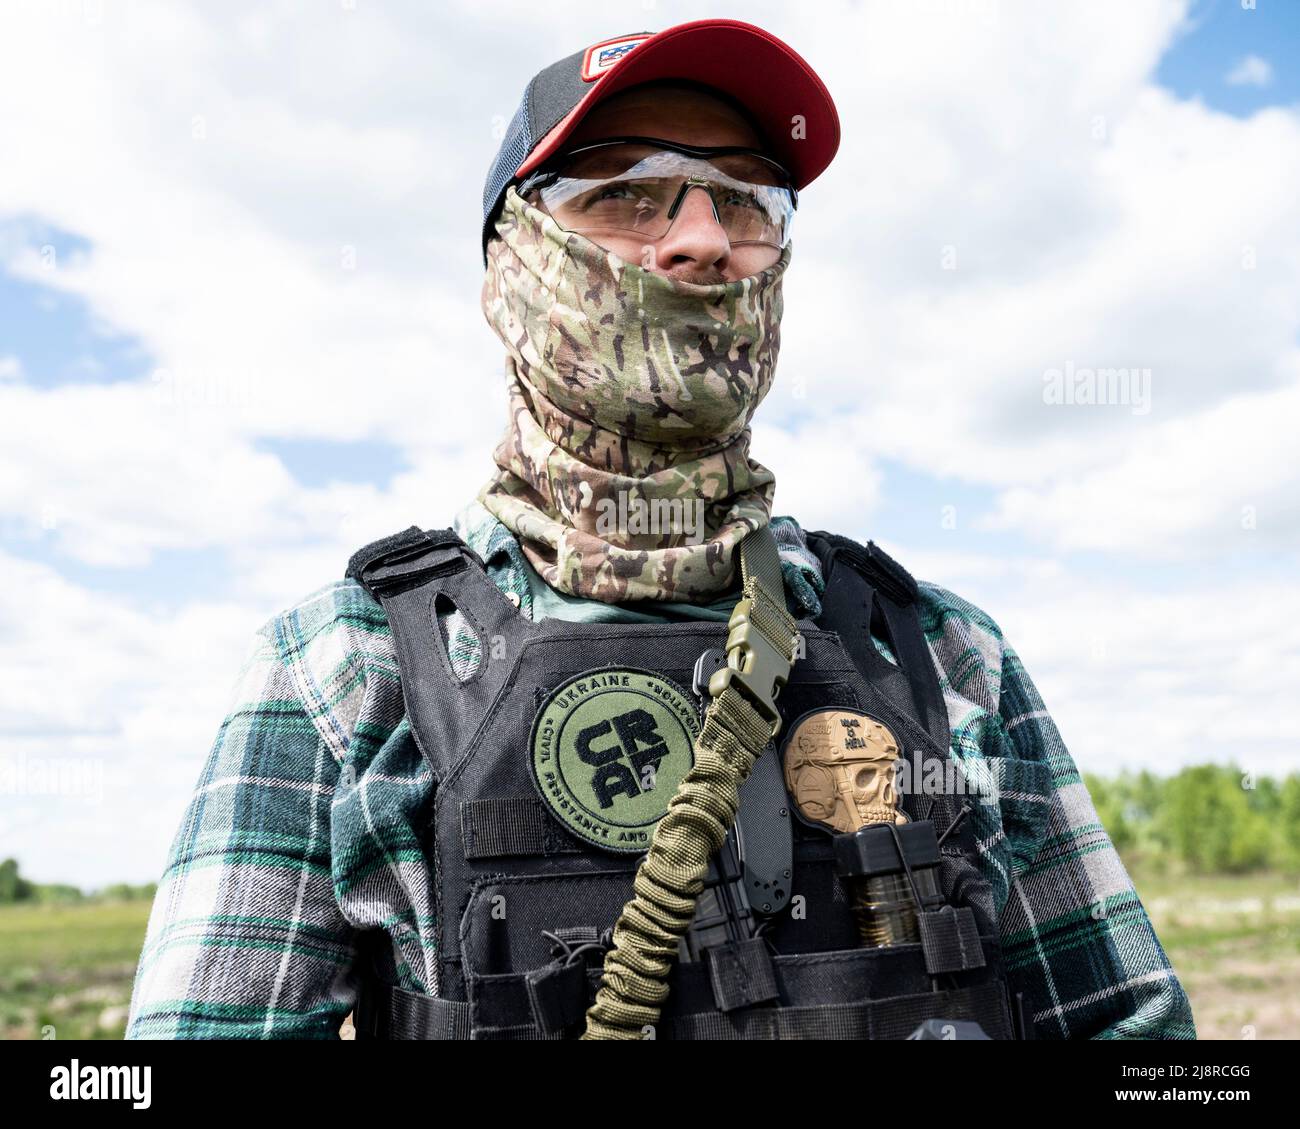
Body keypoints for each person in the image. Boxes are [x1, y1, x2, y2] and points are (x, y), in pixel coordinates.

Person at [125, 18, 1194, 1041]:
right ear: (512, 269)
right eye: (626, 194)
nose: (702, 240)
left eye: (745, 201)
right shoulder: (347, 670)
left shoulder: (936, 653)